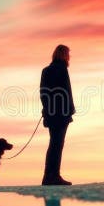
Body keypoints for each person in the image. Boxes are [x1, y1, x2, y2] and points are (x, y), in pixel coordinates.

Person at [40, 45, 75, 186]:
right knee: (57, 145)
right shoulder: (62, 69)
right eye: (68, 54)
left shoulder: (46, 70)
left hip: (52, 113)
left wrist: (47, 110)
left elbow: (44, 93)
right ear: (64, 55)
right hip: (61, 114)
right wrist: (68, 111)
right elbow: (65, 93)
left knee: (53, 144)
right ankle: (53, 177)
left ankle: (49, 176)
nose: (69, 57)